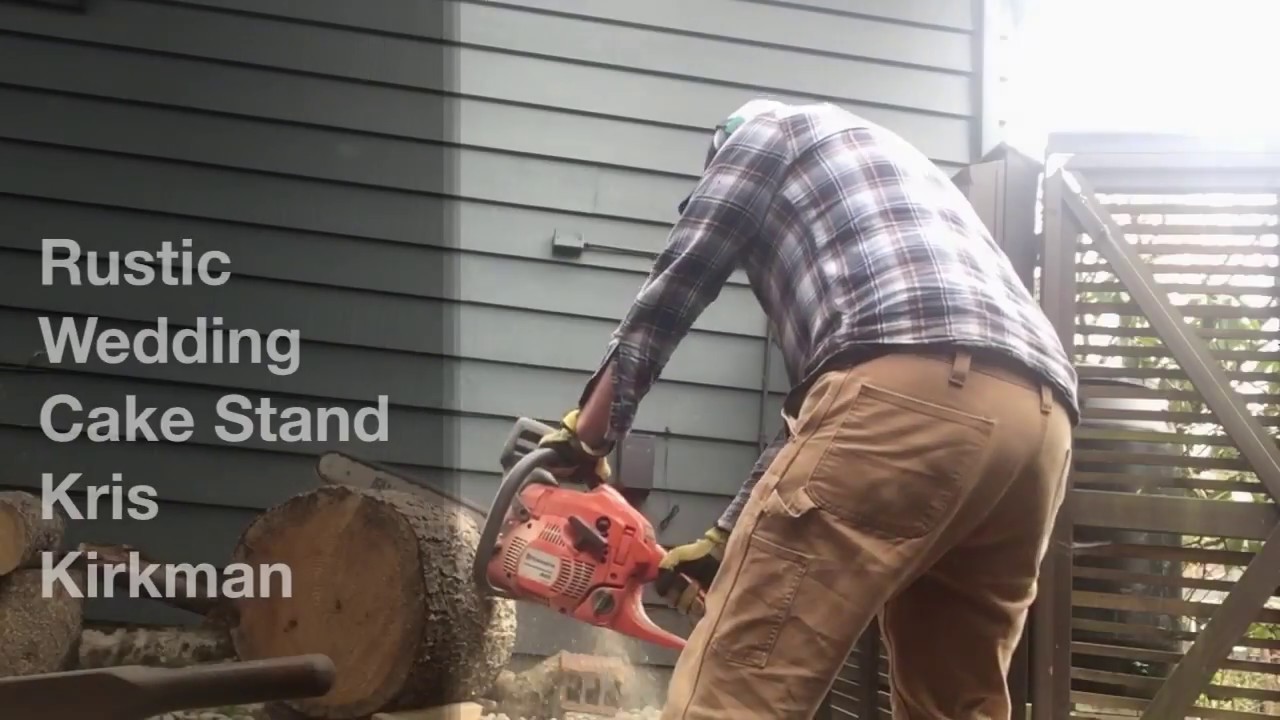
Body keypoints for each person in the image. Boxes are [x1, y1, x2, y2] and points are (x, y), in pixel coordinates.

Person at [536, 98, 1080, 720]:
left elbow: (678, 284)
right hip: (1041, 424)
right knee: (953, 704)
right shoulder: (897, 184)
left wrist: (590, 434)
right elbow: (824, 415)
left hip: (914, 388)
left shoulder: (764, 132)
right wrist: (722, 538)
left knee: (738, 689)